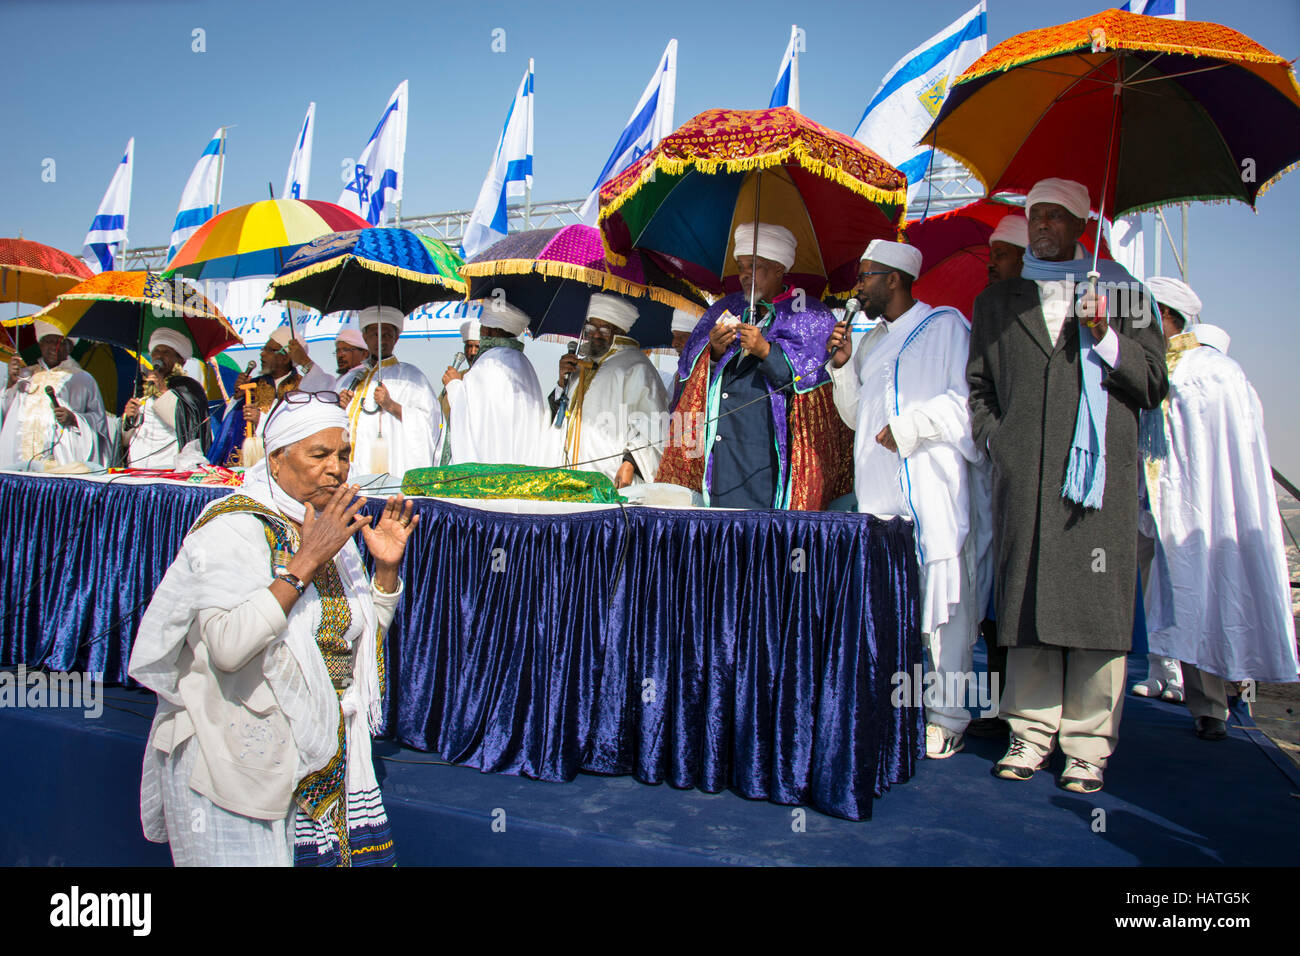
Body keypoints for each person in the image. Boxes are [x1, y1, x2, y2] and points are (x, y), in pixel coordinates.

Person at [129, 394, 418, 866]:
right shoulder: (232, 527)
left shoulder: (330, 531)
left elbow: (349, 649)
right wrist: (306, 561)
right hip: (241, 767)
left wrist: (385, 572)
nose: (337, 469)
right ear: (278, 458)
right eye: (319, 454)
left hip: (331, 759)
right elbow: (227, 648)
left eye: (343, 454)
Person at [967, 177, 1167, 793]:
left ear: (1083, 225)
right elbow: (980, 388)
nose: (1044, 227)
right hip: (1025, 476)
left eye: (1058, 217)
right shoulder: (999, 301)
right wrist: (1002, 441)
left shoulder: (1125, 293)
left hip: (1096, 487)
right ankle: (1029, 733)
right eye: (1036, 217)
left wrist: (1105, 333)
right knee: (1025, 606)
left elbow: (1154, 383)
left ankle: (1087, 747)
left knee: (1092, 614)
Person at [828, 240, 991, 759]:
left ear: (894, 279)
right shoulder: (873, 341)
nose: (859, 288)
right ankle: (904, 708)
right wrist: (840, 367)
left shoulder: (945, 327)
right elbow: (855, 417)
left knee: (945, 609)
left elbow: (967, 405)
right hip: (879, 498)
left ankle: (948, 715)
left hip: (929, 490)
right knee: (895, 607)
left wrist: (913, 426)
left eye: (866, 277)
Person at [1138, 276, 1299, 740]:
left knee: (1194, 595)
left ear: (1164, 315)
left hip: (1191, 506)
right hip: (1139, 500)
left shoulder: (1213, 372)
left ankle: (1207, 703)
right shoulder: (1143, 361)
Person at [657, 222, 853, 509]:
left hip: (767, 459)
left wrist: (765, 351)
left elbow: (808, 387)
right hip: (718, 455)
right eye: (741, 266)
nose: (745, 274)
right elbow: (689, 378)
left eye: (755, 266)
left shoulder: (810, 314)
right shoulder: (724, 308)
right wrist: (713, 352)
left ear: (779, 269)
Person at [969, 212, 1030, 739]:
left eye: (1002, 256)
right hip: (989, 473)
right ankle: (997, 701)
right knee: (992, 592)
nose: (993, 266)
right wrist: (994, 435)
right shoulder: (987, 317)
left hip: (1031, 476)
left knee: (1022, 588)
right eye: (990, 257)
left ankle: (1023, 710)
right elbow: (977, 390)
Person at [549, 293, 669, 487]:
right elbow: (559, 415)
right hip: (567, 471)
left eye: (604, 330)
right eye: (590, 328)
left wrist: (631, 463)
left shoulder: (637, 367)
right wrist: (562, 382)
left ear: (620, 331)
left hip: (611, 474)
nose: (595, 335)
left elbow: (653, 424)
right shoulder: (581, 364)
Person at [442, 300, 550, 466]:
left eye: (483, 329)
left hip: (492, 472)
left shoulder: (489, 363)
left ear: (489, 330)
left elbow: (470, 417)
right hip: (522, 472)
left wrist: (454, 385)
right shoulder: (525, 365)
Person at [338, 306, 440, 478]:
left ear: (396, 338)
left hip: (391, 465)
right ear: (364, 337)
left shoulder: (412, 377)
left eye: (387, 335)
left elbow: (431, 423)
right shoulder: (349, 379)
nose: (381, 341)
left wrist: (391, 406)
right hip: (350, 468)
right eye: (375, 335)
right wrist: (341, 406)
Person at [209, 325, 333, 467]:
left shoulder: (302, 388)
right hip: (243, 463)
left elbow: (299, 426)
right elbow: (229, 427)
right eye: (264, 349)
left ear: (286, 357)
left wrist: (260, 420)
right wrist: (237, 399)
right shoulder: (252, 385)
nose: (262, 354)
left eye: (270, 350)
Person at [0, 321, 108, 468]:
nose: (54, 348)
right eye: (48, 341)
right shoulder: (25, 375)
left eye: (60, 342)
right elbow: (6, 413)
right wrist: (11, 384)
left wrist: (74, 418)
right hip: (19, 457)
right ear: (40, 345)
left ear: (69, 347)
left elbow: (100, 422)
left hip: (63, 458)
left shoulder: (83, 379)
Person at [121, 328, 212, 468]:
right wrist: (129, 417)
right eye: (156, 351)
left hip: (168, 464)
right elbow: (126, 438)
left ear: (180, 359)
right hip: (138, 463)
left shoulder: (188, 387)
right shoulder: (143, 385)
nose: (159, 355)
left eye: (166, 352)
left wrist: (162, 390)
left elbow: (187, 425)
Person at [661, 308, 698, 397]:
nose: (674, 343)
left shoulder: (712, 372)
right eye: (674, 336)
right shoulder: (679, 374)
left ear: (699, 339)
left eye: (682, 336)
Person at [987, 214, 1028, 285]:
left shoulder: (1050, 294)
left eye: (1000, 255)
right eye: (990, 257)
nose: (989, 264)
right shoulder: (987, 295)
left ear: (1025, 258)